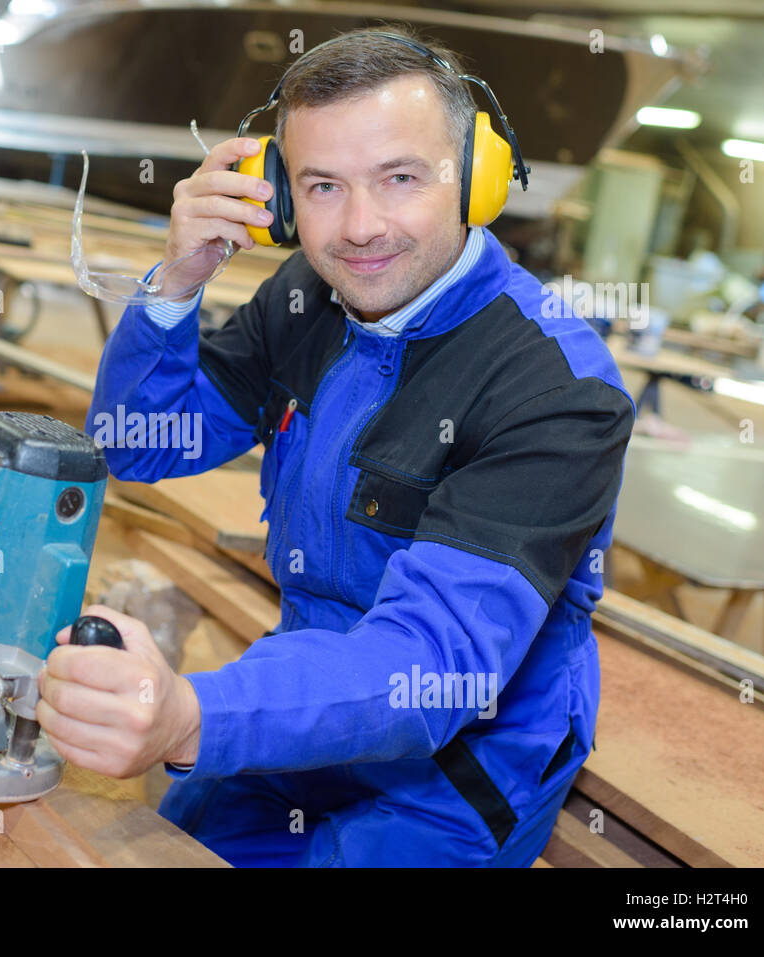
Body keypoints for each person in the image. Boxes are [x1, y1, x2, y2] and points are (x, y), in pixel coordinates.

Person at [35, 26, 635, 866]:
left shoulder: (558, 390)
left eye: (400, 177)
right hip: (298, 706)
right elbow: (138, 445)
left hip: (453, 770)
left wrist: (191, 718)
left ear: (478, 177)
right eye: (322, 186)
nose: (360, 228)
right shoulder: (307, 300)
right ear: (276, 196)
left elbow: (429, 671)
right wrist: (176, 280)